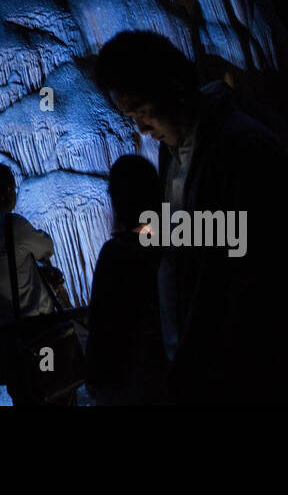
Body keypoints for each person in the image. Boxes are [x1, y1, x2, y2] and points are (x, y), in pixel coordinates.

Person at [94, 30, 288, 404]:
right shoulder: (173, 154)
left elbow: (263, 270)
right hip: (195, 372)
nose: (141, 128)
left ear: (175, 89)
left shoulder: (245, 151)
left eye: (142, 111)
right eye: (131, 117)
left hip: (244, 378)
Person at [0, 162, 72, 404]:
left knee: (24, 398)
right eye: (13, 189)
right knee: (55, 392)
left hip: (5, 340)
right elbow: (47, 247)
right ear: (6, 191)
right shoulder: (11, 225)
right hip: (36, 334)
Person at [85, 154, 168, 404]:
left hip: (125, 379)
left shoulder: (116, 254)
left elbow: (101, 323)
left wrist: (94, 374)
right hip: (168, 370)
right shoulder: (175, 244)